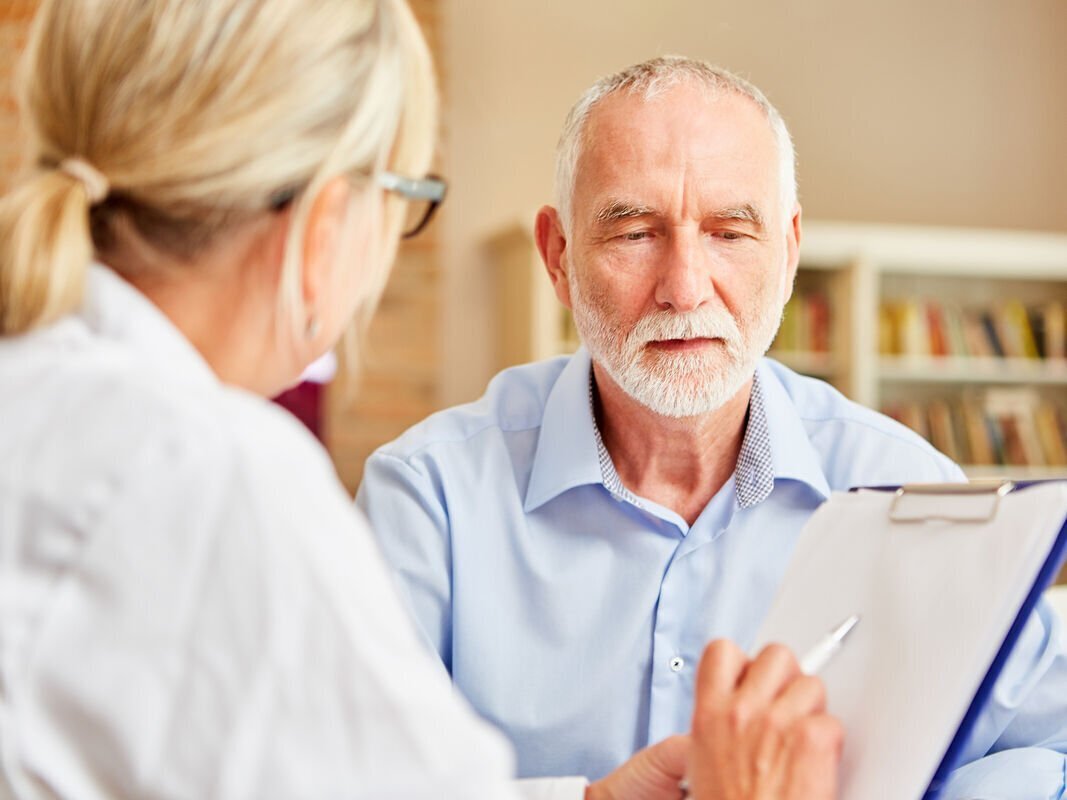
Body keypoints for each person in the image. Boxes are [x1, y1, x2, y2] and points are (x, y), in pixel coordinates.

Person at [0, 4, 846, 799]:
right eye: (402, 200)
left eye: (730, 232)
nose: (685, 284)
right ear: (327, 223)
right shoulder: (224, 477)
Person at [358, 56, 1067, 795]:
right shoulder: (429, 496)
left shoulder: (909, 494)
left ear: (788, 252)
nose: (685, 287)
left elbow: (1053, 743)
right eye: (634, 233)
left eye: (730, 232)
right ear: (557, 256)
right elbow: (340, 777)